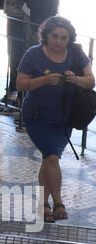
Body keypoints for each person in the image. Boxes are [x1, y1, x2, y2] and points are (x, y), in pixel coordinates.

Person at [16, 15, 94, 222]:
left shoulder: (76, 55)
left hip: (63, 119)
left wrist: (75, 79)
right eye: (55, 36)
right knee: (52, 157)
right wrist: (43, 80)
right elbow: (20, 84)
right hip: (37, 117)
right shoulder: (33, 54)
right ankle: (58, 202)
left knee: (48, 159)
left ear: (69, 39)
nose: (58, 41)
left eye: (63, 38)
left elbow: (90, 81)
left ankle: (43, 204)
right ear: (46, 36)